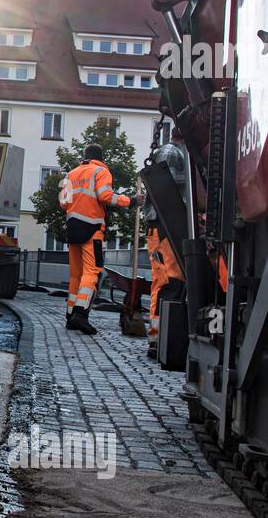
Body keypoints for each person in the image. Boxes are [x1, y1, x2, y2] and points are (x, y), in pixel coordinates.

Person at [59, 143, 137, 335]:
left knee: (75, 275)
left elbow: (63, 203)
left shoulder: (71, 174)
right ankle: (80, 313)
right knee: (92, 271)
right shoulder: (101, 171)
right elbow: (105, 196)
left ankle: (70, 315)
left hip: (72, 227)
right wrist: (131, 201)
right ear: (101, 158)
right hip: (92, 228)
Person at [143, 127, 187, 359]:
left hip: (164, 226)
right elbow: (166, 191)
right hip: (164, 225)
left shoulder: (175, 153)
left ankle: (160, 335)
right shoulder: (172, 153)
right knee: (168, 281)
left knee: (168, 281)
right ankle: (159, 337)